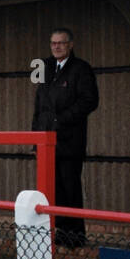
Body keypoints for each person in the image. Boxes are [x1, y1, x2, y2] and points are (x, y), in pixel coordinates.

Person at [31, 27, 99, 247]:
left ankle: (76, 234)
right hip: (47, 141)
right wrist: (36, 138)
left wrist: (62, 119)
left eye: (60, 43)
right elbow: (39, 106)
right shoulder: (46, 68)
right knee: (53, 188)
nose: (56, 47)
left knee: (70, 186)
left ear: (70, 44)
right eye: (53, 43)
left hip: (69, 140)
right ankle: (60, 230)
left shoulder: (81, 69)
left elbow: (89, 101)